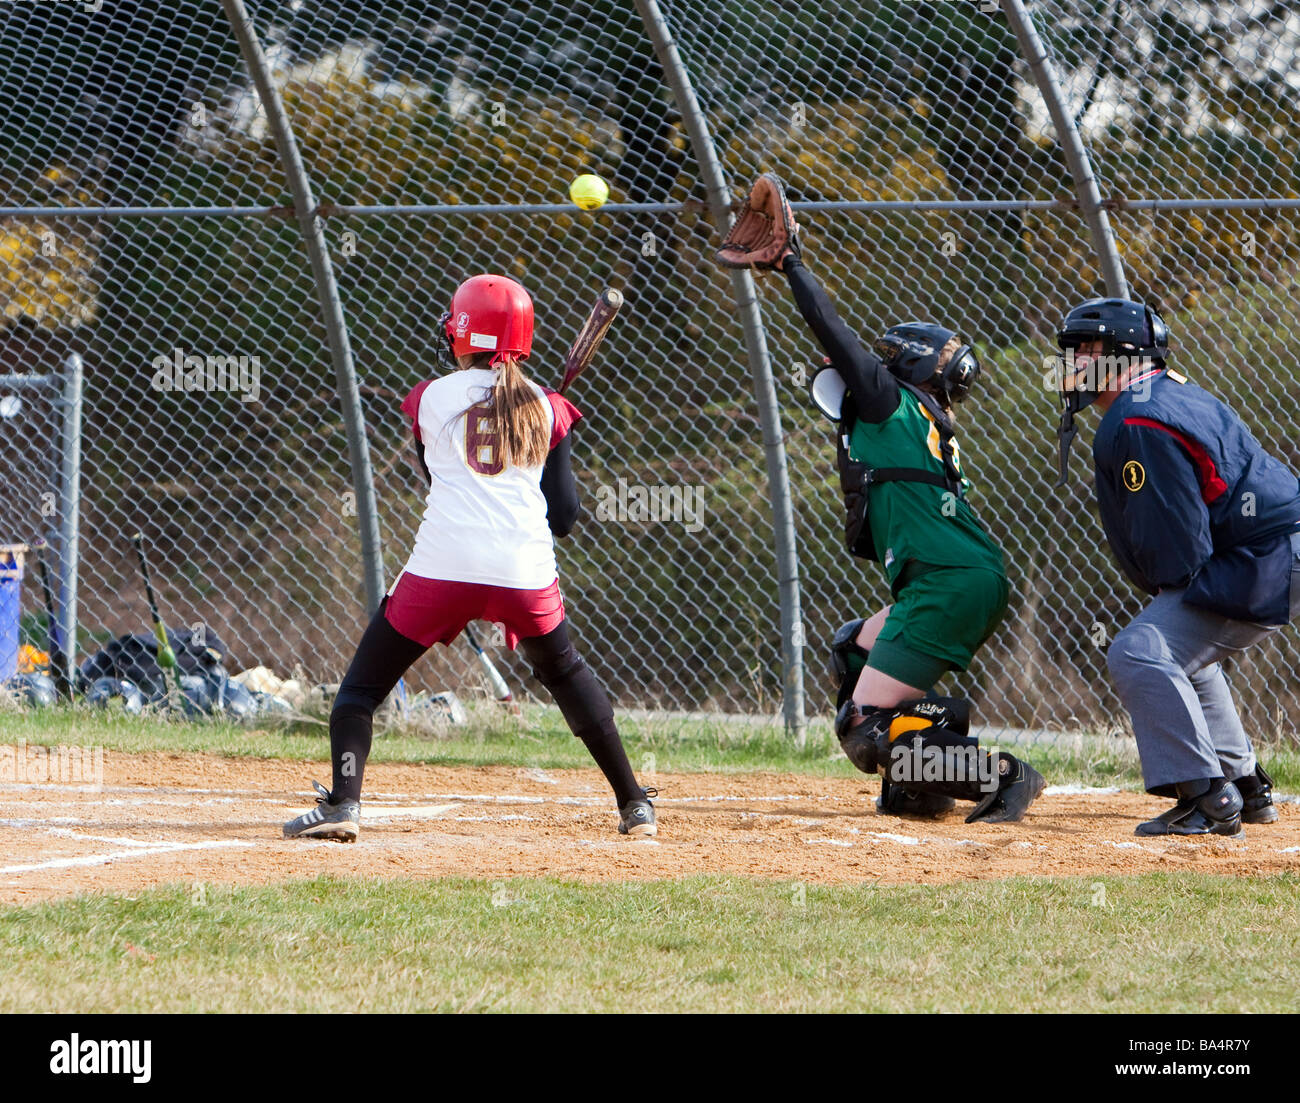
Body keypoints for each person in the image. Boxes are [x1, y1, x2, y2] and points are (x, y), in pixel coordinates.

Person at [716, 173, 1044, 823]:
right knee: (853, 646)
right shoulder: (920, 422)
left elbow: (832, 332)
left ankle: (1000, 775)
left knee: (864, 723)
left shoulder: (894, 405)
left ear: (907, 373)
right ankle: (919, 782)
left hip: (950, 583)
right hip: (950, 579)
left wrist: (793, 267)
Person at [284, 275, 657, 841]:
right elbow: (564, 517)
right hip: (523, 573)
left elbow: (435, 475)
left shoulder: (430, 397)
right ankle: (634, 804)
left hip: (442, 568)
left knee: (360, 693)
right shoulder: (547, 407)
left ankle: (343, 803)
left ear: (463, 333)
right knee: (565, 673)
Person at [1055, 297, 1294, 836]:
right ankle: (1246, 784)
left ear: (1121, 354)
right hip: (1273, 552)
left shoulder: (1137, 417)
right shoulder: (1165, 393)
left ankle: (1206, 798)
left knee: (1139, 651)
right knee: (1180, 651)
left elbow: (1179, 540)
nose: (1071, 365)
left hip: (1270, 558)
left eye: (1084, 350)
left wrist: (1170, 587)